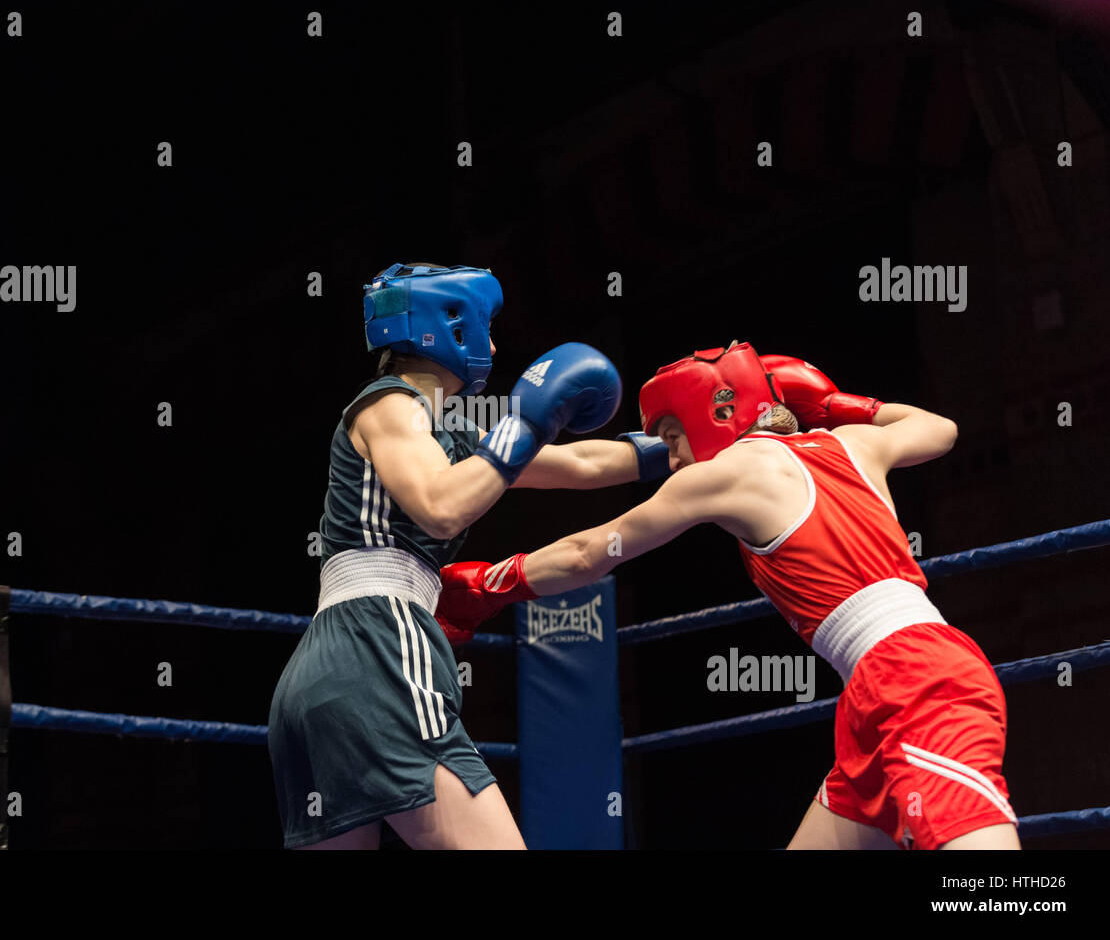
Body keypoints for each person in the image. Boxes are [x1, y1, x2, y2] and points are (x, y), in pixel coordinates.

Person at [435, 341, 1020, 850]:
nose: (672, 456)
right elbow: (939, 428)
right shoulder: (852, 445)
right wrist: (836, 404)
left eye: (671, 434)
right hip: (884, 688)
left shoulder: (724, 473)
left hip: (914, 679)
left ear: (714, 412)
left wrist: (492, 586)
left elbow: (592, 551)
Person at [267, 263, 672, 849]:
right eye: (486, 327)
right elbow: (439, 506)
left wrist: (685, 450)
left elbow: (582, 466)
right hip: (381, 650)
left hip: (321, 676)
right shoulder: (392, 405)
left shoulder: (444, 437)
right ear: (449, 326)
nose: (493, 344)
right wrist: (525, 422)